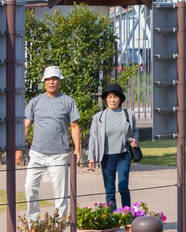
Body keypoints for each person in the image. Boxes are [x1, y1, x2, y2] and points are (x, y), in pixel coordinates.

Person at [19, 66, 81, 220]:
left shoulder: (68, 101)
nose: (51, 82)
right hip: (37, 153)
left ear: (59, 81)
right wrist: (18, 149)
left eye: (54, 79)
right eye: (48, 79)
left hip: (59, 154)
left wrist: (77, 149)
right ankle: (33, 222)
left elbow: (74, 126)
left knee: (60, 192)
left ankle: (59, 225)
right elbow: (26, 126)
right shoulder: (35, 102)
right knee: (29, 187)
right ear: (44, 82)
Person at [87, 83, 138, 210]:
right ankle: (112, 218)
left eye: (116, 97)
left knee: (123, 186)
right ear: (105, 99)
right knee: (109, 190)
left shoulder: (128, 114)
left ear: (120, 99)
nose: (113, 100)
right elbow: (93, 138)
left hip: (123, 156)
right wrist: (91, 157)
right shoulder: (98, 117)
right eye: (110, 97)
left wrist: (134, 141)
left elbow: (135, 131)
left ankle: (127, 214)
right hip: (106, 157)